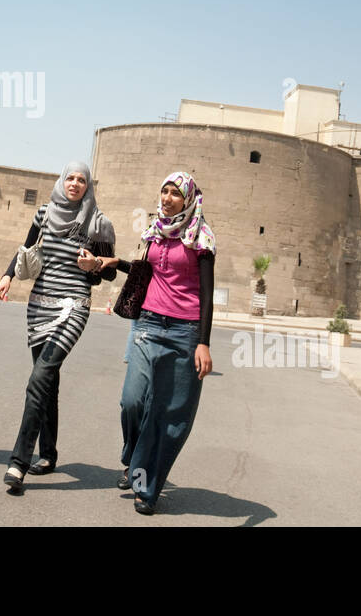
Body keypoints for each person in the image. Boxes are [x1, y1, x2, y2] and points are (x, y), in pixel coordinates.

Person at [0, 161, 116, 492]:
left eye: (82, 180)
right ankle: (47, 454)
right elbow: (26, 249)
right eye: (70, 178)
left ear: (89, 186)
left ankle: (18, 462)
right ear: (62, 182)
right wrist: (6, 277)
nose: (75, 183)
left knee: (39, 378)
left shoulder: (98, 222)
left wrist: (95, 265)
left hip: (75, 306)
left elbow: (109, 273)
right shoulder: (44, 213)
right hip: (39, 305)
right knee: (49, 382)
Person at [97, 172, 216, 515]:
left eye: (175, 193)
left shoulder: (201, 236)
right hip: (147, 323)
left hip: (185, 330)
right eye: (163, 191)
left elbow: (206, 294)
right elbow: (144, 271)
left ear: (189, 199)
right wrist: (114, 262)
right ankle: (132, 455)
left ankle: (147, 486)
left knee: (169, 413)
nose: (166, 198)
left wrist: (203, 342)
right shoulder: (155, 231)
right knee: (132, 401)